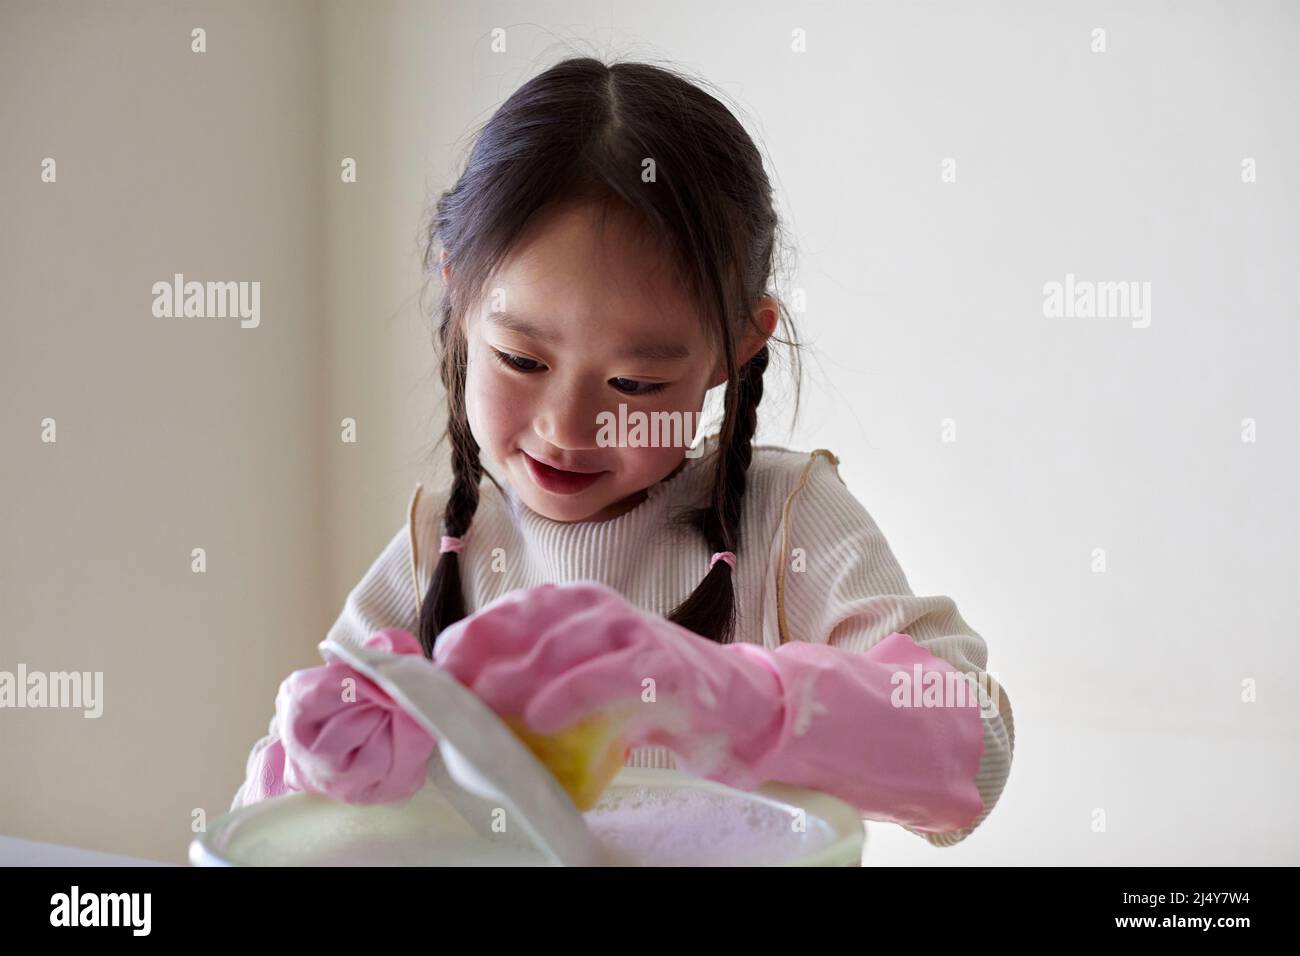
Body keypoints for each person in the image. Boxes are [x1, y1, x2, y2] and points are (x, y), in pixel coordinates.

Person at [232, 57, 1014, 848]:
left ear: (734, 350)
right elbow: (255, 821)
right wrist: (308, 767)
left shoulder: (785, 521)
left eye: (635, 383)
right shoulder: (439, 549)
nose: (571, 428)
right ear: (459, 295)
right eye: (523, 361)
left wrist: (724, 697)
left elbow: (978, 750)